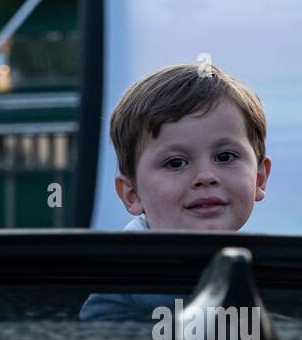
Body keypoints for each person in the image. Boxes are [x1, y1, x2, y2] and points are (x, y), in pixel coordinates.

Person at [80, 61, 273, 320]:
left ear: (259, 178)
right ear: (132, 194)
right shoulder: (119, 286)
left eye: (225, 156)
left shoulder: (283, 274)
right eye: (175, 163)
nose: (206, 177)